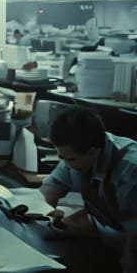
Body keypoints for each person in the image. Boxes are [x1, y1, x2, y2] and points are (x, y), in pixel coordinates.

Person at [40, 109, 136, 271]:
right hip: (113, 231)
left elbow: (135, 237)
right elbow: (50, 188)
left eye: (71, 159)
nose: (66, 165)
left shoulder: (130, 171)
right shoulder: (74, 152)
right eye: (62, 158)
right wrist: (40, 209)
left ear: (93, 152)